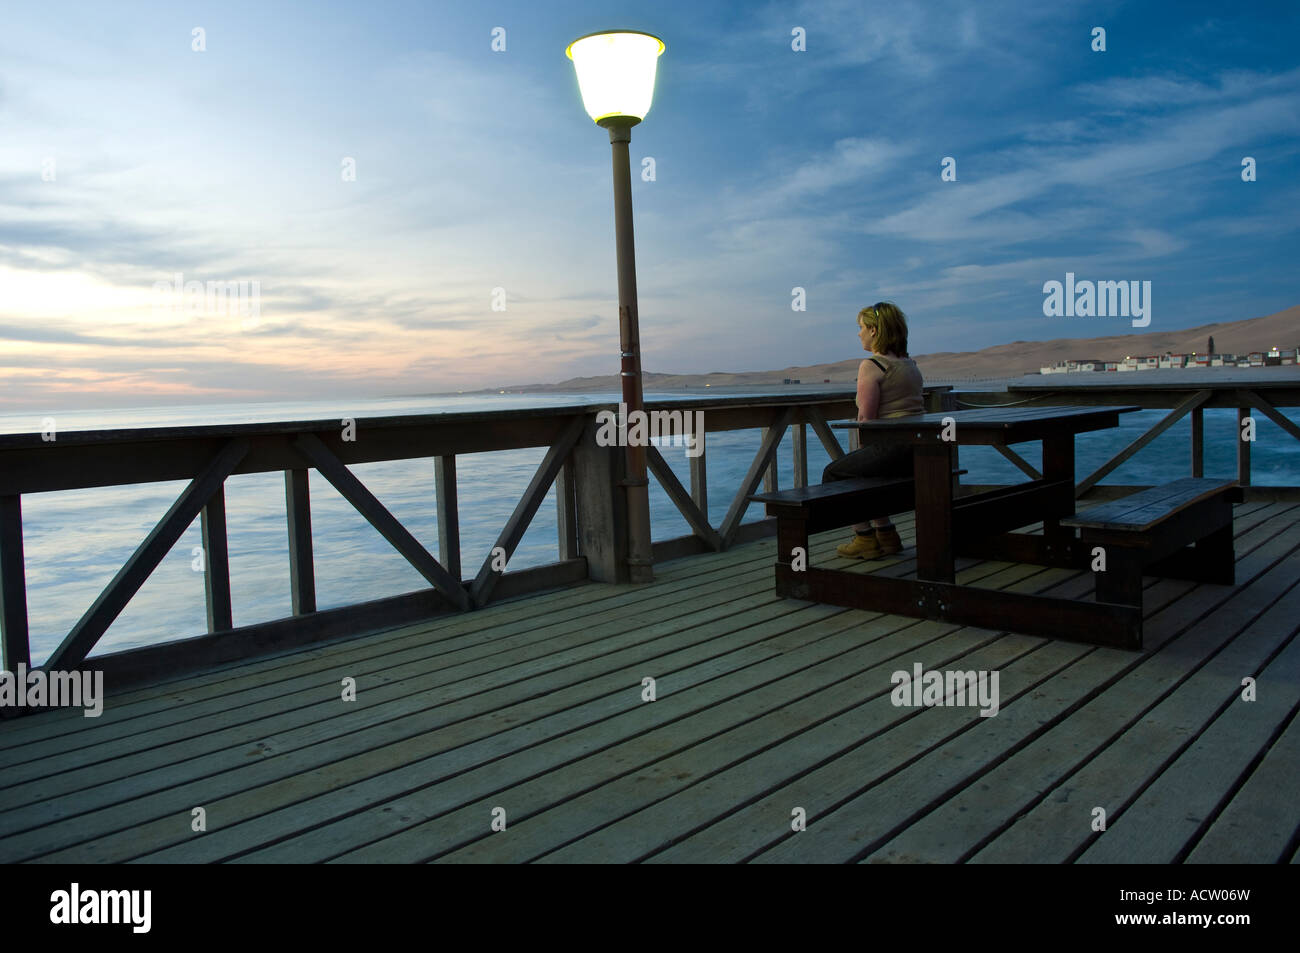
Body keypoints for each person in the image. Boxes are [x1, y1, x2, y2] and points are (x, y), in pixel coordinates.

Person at [822, 302, 925, 559]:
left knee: (834, 474)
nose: (859, 334)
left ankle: (864, 538)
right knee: (865, 472)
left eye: (861, 328)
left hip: (892, 448)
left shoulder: (872, 366)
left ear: (875, 330)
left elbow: (867, 420)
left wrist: (862, 452)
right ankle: (887, 534)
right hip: (919, 449)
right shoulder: (910, 364)